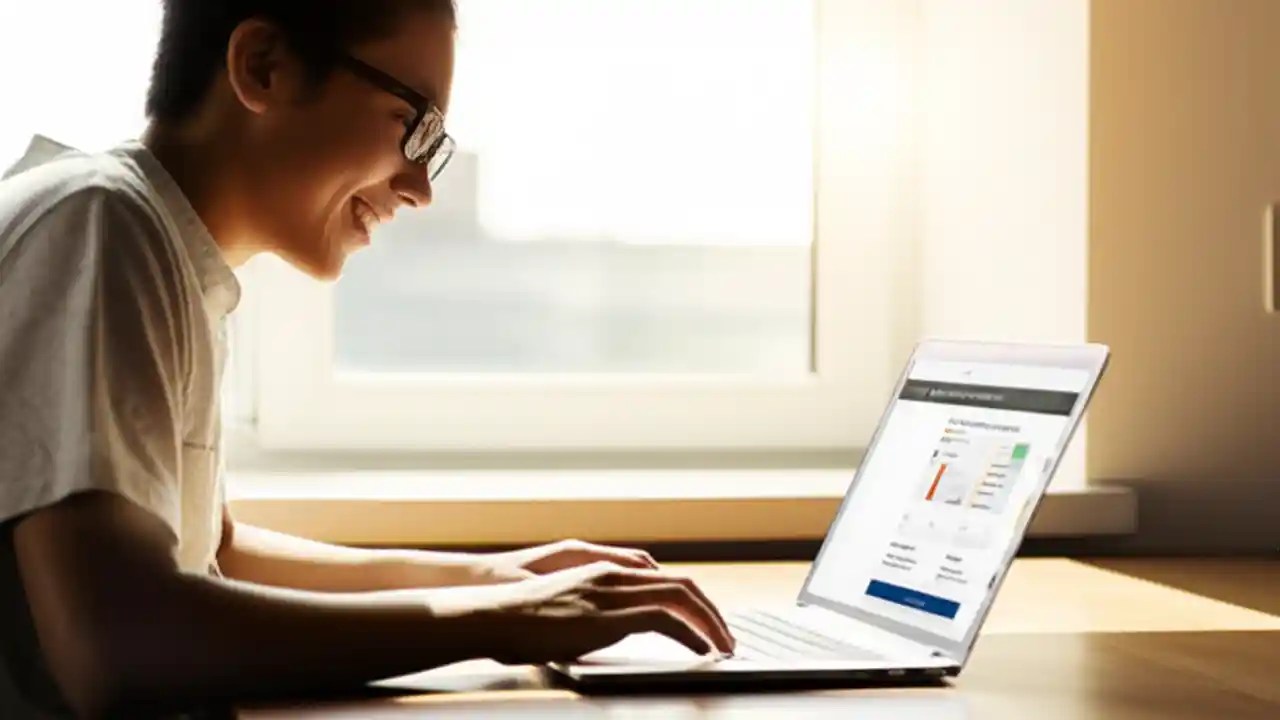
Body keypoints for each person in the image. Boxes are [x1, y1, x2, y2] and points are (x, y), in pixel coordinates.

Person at [0, 1, 735, 716]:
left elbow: (211, 551)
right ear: (264, 67)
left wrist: (496, 576)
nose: (419, 188)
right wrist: (502, 617)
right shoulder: (101, 226)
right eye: (413, 123)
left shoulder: (159, 248)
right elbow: (123, 645)